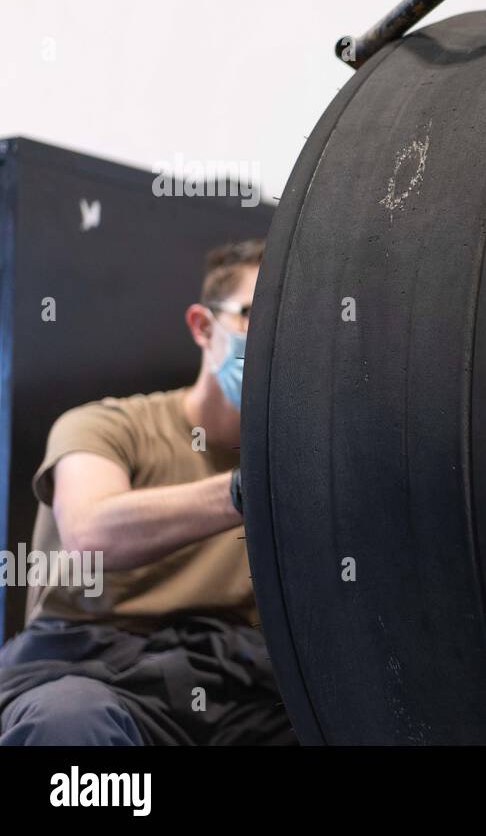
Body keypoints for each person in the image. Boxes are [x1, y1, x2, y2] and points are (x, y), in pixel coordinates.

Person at [0, 238, 294, 745]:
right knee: (71, 724)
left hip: (233, 686)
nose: (276, 336)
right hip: (92, 670)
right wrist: (246, 490)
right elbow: (91, 533)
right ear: (204, 327)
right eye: (256, 313)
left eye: (293, 319)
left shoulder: (309, 457)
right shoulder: (107, 426)